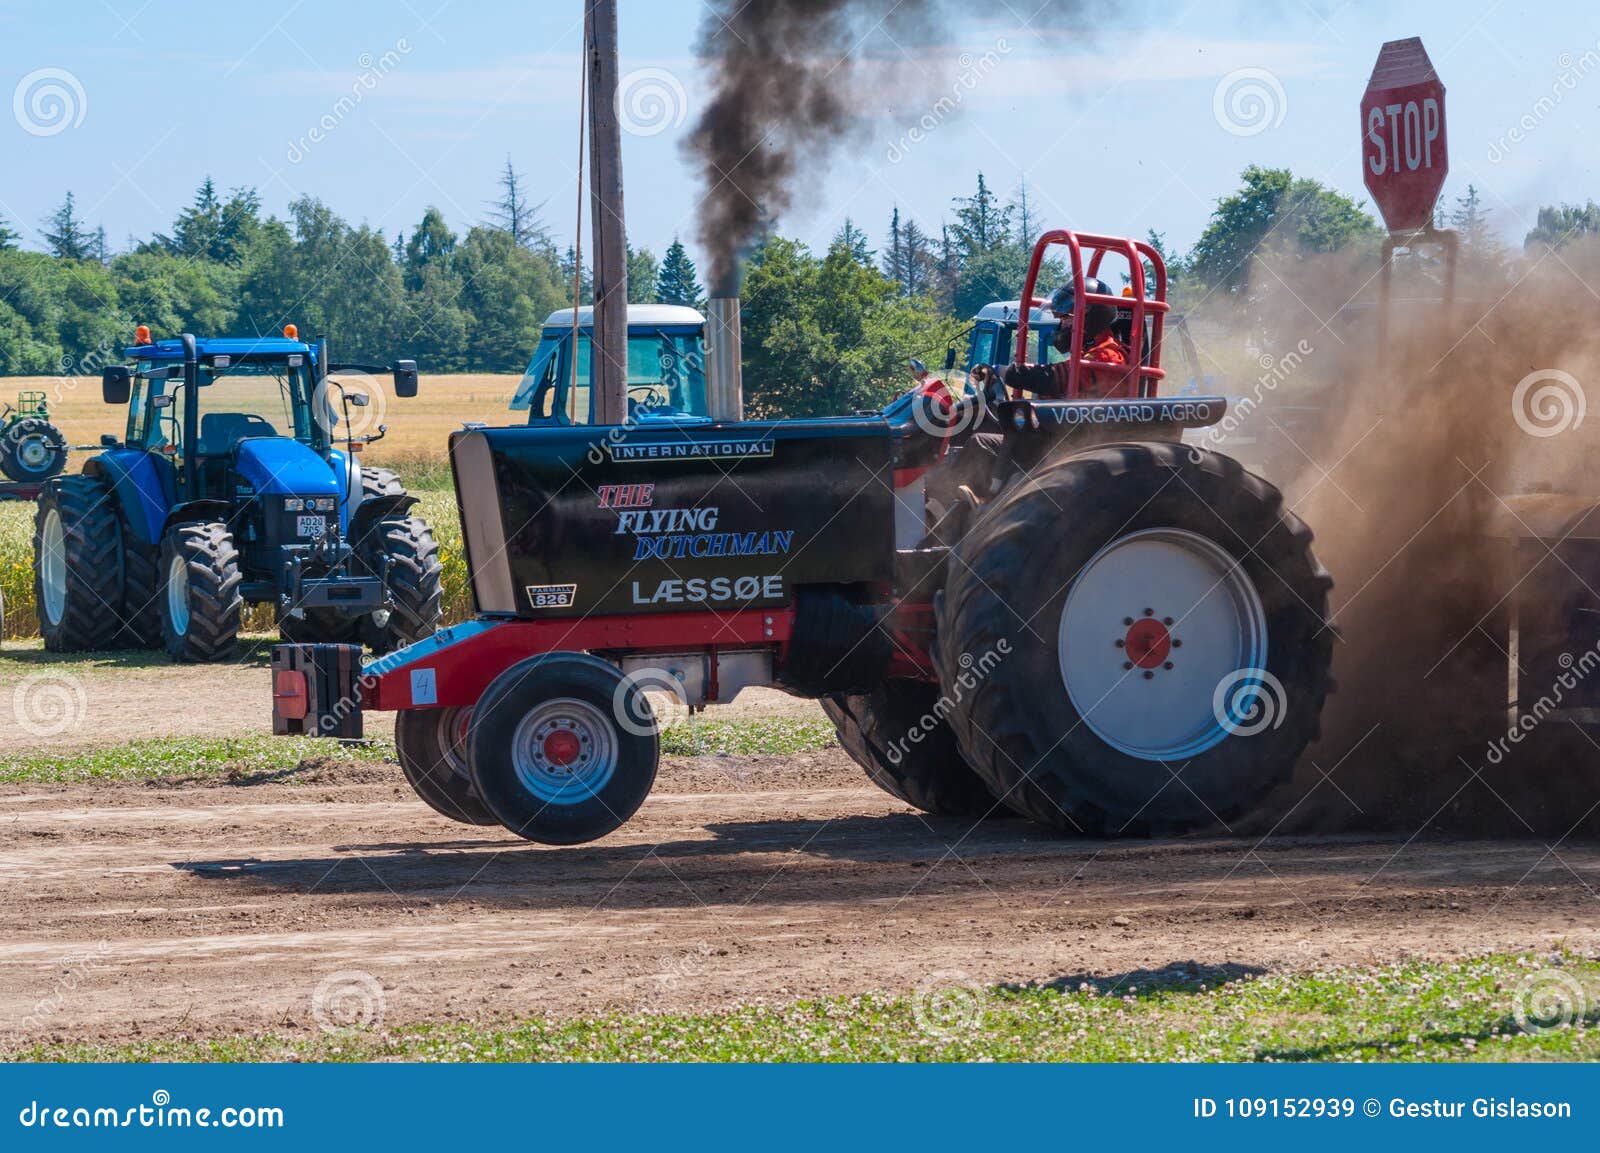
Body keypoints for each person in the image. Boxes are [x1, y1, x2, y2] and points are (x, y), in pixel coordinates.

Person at [1002, 277, 1132, 399]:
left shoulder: (1108, 356)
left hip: (1092, 422)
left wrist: (1007, 372)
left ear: (1091, 318)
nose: (1062, 324)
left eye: (1067, 318)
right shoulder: (1085, 353)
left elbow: (1058, 379)